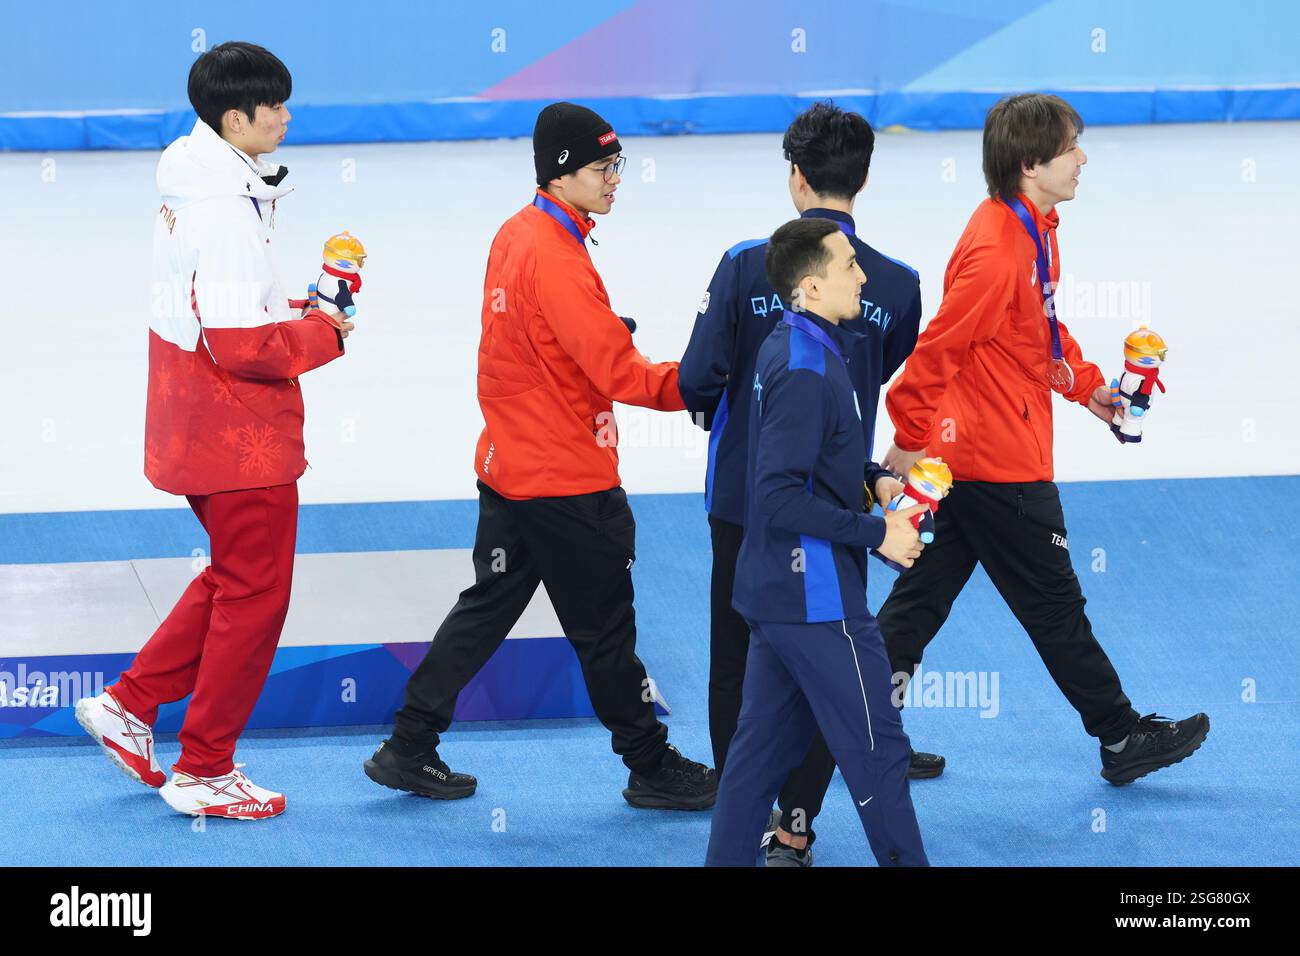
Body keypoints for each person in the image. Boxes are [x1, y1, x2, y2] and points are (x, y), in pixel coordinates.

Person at [364, 102, 717, 810]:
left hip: (508, 467)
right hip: (566, 481)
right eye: (603, 167)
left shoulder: (517, 232)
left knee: (486, 608)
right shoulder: (559, 256)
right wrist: (705, 381)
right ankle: (650, 765)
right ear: (560, 175)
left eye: (620, 164)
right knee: (606, 631)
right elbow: (624, 375)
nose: (616, 179)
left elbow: (525, 340)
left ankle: (408, 743)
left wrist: (590, 333)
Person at [875, 93, 1209, 786]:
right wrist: (904, 442)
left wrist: (1089, 389)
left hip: (969, 456)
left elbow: (1036, 334)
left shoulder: (1031, 224)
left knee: (917, 605)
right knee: (1054, 607)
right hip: (998, 464)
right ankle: (1120, 737)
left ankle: (862, 732)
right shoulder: (1001, 251)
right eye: (1071, 148)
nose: (1084, 158)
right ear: (1031, 163)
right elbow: (938, 349)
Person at [75, 42, 353, 820]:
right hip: (239, 437)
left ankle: (131, 705)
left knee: (234, 576)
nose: (288, 117)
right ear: (237, 119)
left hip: (188, 418)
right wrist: (324, 334)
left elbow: (223, 310)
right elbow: (242, 346)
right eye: (277, 108)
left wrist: (286, 308)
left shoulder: (194, 172)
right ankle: (206, 767)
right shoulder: (227, 212)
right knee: (257, 595)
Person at [679, 102, 934, 866]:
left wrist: (865, 478)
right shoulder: (810, 361)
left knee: (753, 757)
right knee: (879, 753)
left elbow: (708, 388)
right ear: (815, 286)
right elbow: (783, 493)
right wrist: (876, 526)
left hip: (771, 574)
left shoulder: (788, 335)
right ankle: (811, 831)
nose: (862, 267)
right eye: (848, 266)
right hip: (816, 585)